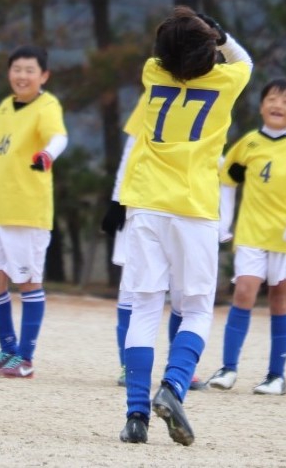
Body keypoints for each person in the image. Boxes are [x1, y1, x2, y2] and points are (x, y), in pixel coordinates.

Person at [118, 6, 252, 446]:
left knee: (142, 307)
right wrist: (222, 35)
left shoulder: (152, 74)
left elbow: (165, 55)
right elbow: (244, 61)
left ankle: (135, 415)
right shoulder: (226, 81)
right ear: (206, 52)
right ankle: (173, 387)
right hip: (193, 208)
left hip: (146, 204)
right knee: (193, 309)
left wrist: (194, 38)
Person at [206, 77, 286, 395]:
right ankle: (228, 368)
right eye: (272, 98)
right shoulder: (249, 142)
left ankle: (276, 375)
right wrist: (224, 222)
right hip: (252, 232)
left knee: (280, 299)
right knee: (244, 291)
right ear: (261, 106)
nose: (277, 105)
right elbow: (228, 178)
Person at [0, 45, 68, 379]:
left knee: (28, 281)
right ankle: (8, 349)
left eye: (30, 70)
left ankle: (25, 359)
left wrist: (47, 155)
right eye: (16, 69)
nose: (22, 76)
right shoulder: (3, 108)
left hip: (28, 210)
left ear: (43, 75)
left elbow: (59, 137)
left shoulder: (47, 105)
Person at [102, 92, 205, 391]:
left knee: (183, 292)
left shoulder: (210, 90)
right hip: (142, 201)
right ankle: (127, 363)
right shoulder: (154, 92)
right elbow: (131, 148)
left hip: (185, 205)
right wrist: (116, 199)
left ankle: (179, 367)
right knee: (134, 290)